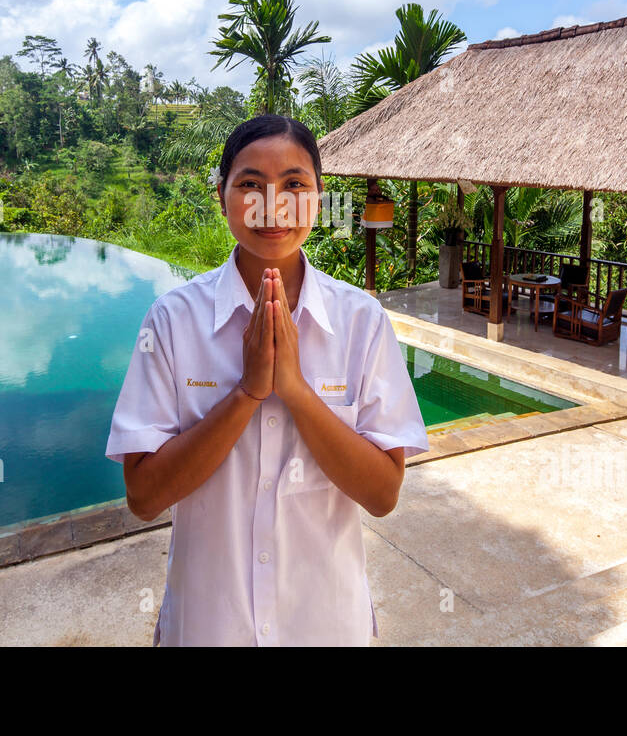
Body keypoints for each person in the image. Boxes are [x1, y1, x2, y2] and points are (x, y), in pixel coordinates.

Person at [105, 113, 429, 646]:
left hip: (324, 625)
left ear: (319, 199)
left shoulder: (360, 322)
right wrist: (247, 393)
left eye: (295, 185)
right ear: (222, 195)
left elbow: (382, 493)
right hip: (210, 625)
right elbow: (144, 496)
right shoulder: (172, 322)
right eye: (250, 184)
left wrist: (296, 392)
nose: (273, 206)